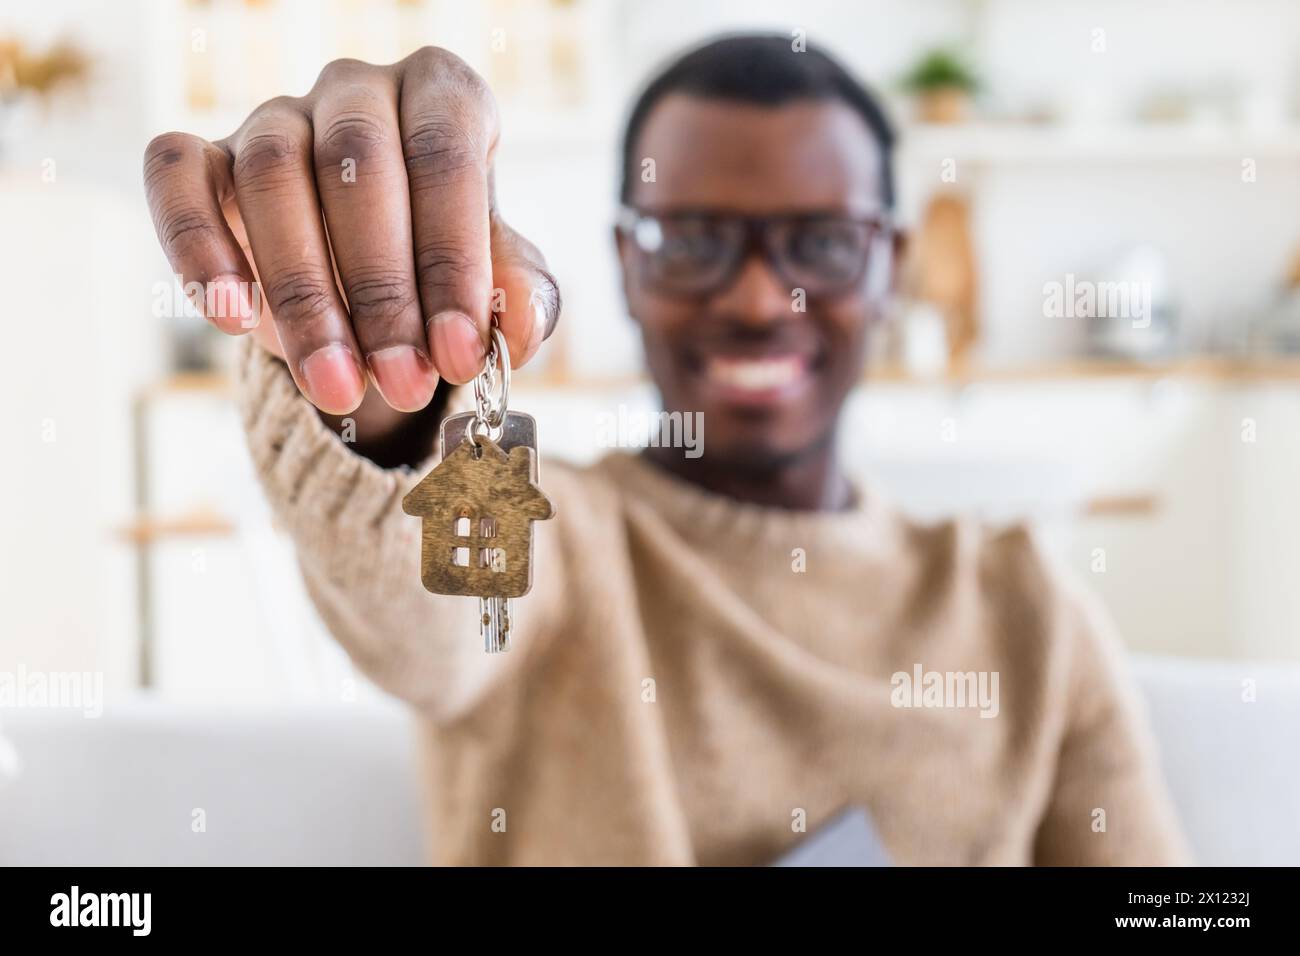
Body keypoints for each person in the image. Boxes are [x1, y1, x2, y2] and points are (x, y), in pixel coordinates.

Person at [143, 35, 1190, 865]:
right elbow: (435, 616)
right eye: (689, 240)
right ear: (623, 265)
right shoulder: (556, 547)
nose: (751, 295)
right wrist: (386, 394)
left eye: (820, 241)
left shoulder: (1030, 615)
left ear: (891, 268)